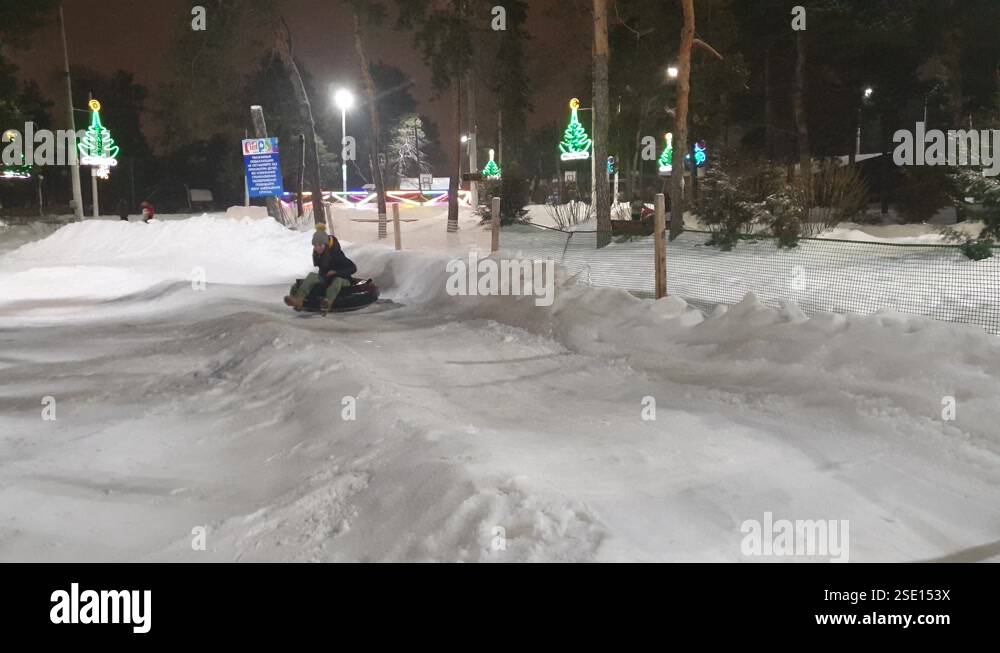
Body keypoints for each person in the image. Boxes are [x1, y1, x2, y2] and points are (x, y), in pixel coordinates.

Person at [284, 229, 357, 314]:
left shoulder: (337, 255)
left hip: (344, 280)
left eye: (320, 245)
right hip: (328, 279)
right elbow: (322, 271)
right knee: (311, 276)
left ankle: (327, 303)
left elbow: (353, 268)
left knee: (337, 280)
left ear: (326, 244)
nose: (317, 248)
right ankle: (299, 300)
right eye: (315, 246)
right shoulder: (320, 255)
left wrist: (336, 272)